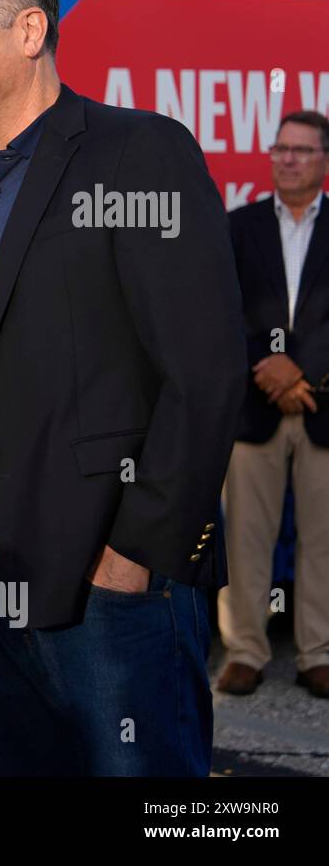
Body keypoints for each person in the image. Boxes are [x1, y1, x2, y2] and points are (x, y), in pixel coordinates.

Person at [0, 0, 245, 776]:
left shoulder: (139, 153)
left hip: (107, 582)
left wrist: (132, 560)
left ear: (29, 30)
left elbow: (204, 373)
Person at [220, 110, 329, 699]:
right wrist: (270, 365)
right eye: (280, 148)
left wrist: (301, 368)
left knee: (326, 537)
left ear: (324, 160)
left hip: (323, 403)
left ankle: (318, 653)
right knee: (245, 535)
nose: (287, 159)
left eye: (301, 150)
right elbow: (218, 310)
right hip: (252, 404)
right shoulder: (237, 227)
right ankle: (245, 650)